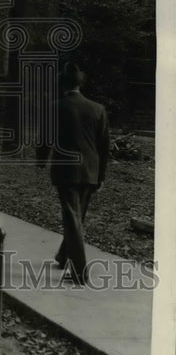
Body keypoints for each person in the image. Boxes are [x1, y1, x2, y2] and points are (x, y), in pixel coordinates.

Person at [36, 62, 110, 285]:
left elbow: (45, 138)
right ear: (80, 84)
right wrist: (101, 176)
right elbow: (104, 146)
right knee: (77, 216)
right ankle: (63, 256)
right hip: (90, 171)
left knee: (72, 217)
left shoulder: (54, 106)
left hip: (66, 170)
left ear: (62, 84)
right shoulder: (98, 109)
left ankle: (79, 272)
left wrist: (41, 160)